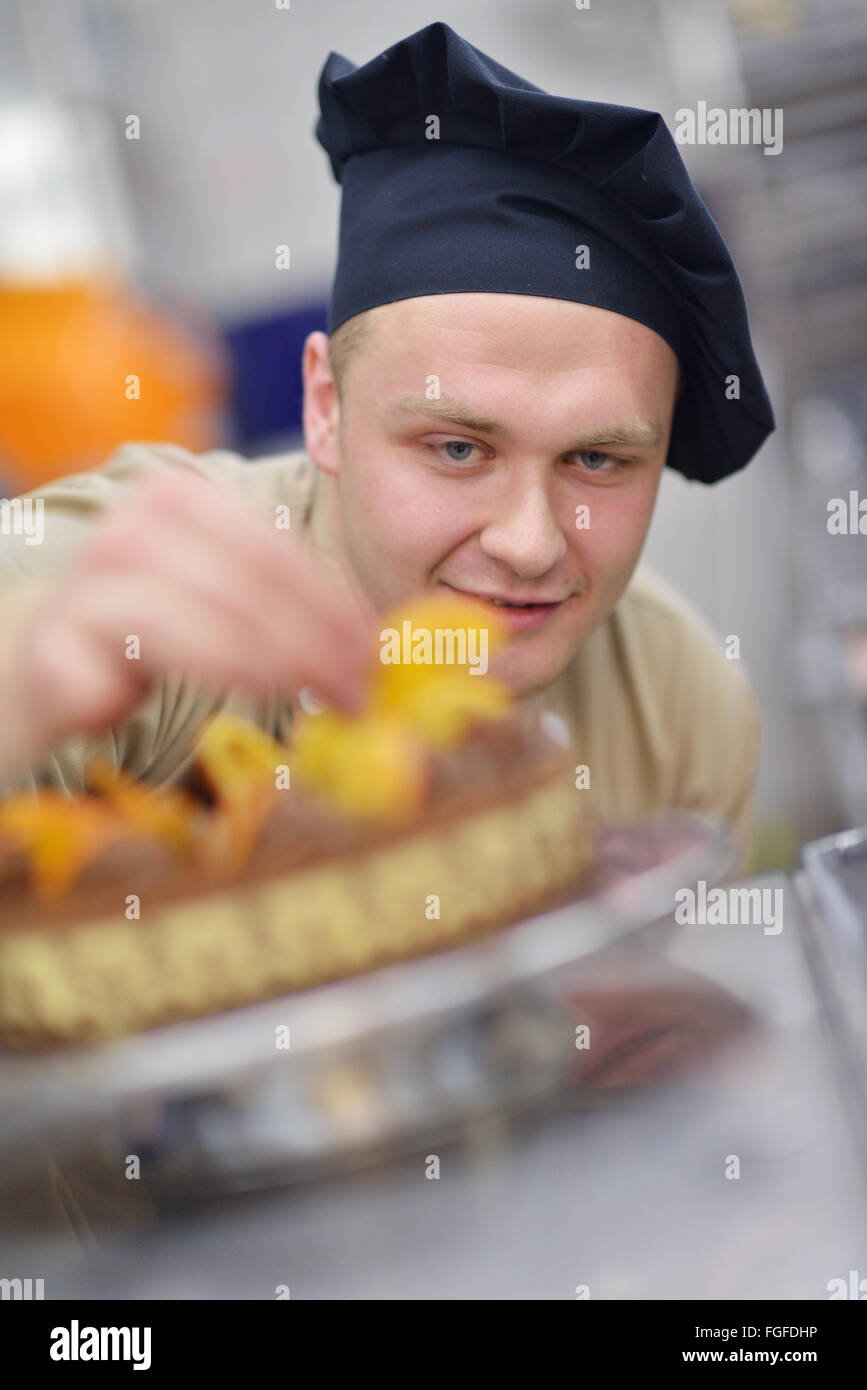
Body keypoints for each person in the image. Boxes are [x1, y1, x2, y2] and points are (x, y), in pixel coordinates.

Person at [0, 21, 773, 875]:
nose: (529, 544)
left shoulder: (676, 709)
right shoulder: (120, 601)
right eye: (455, 449)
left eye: (596, 460)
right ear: (325, 407)